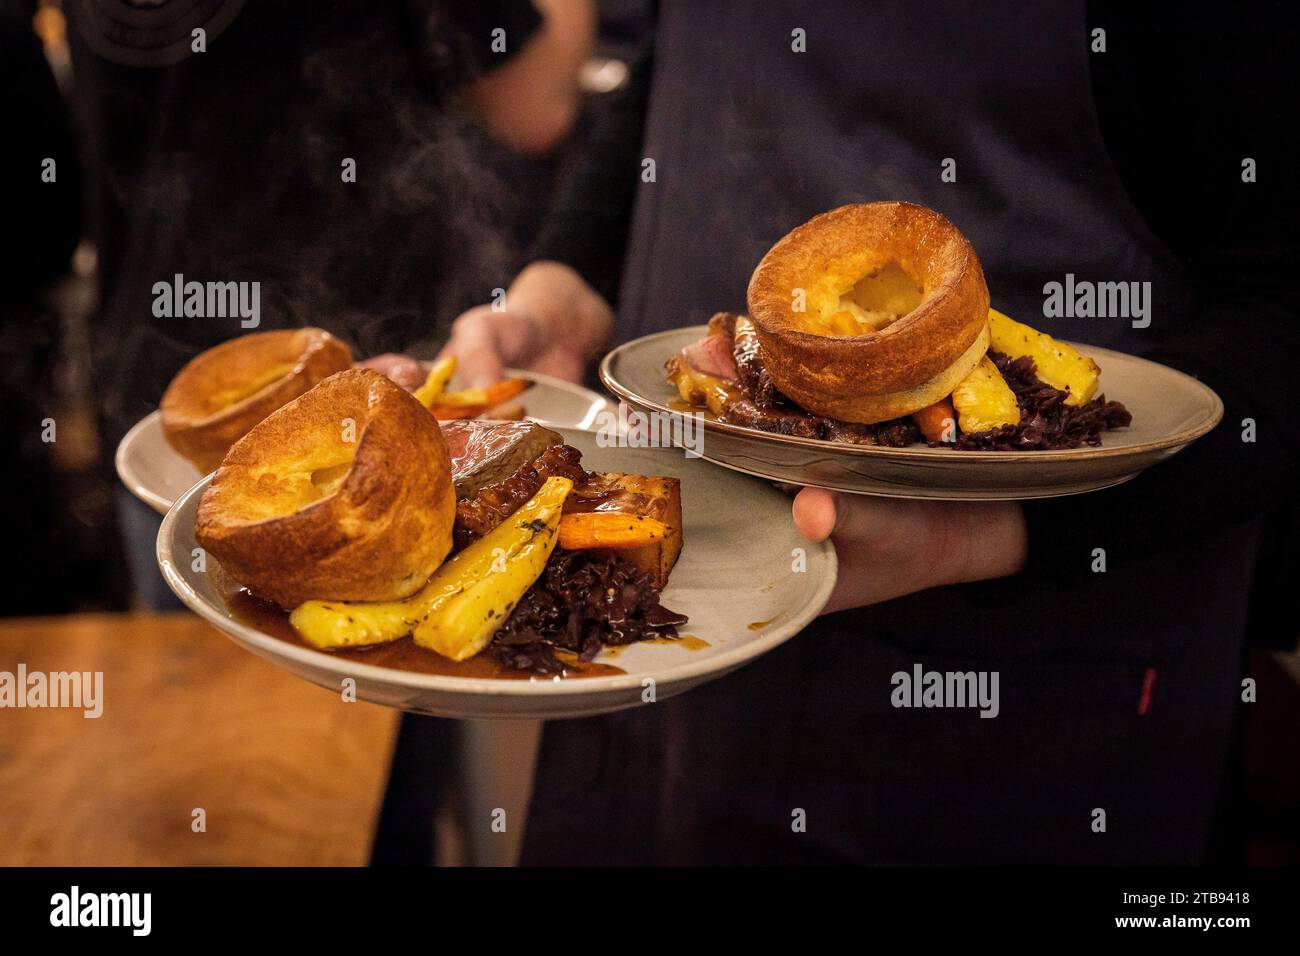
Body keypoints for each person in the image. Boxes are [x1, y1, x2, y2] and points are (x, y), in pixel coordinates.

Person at [441, 1, 1299, 863]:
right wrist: (571, 277)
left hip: (1021, 682)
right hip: (674, 605)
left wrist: (1003, 529)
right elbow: (677, 77)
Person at [55, 0, 592, 605]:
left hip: (153, 413)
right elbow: (534, 108)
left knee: (202, 685)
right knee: (375, 686)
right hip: (393, 432)